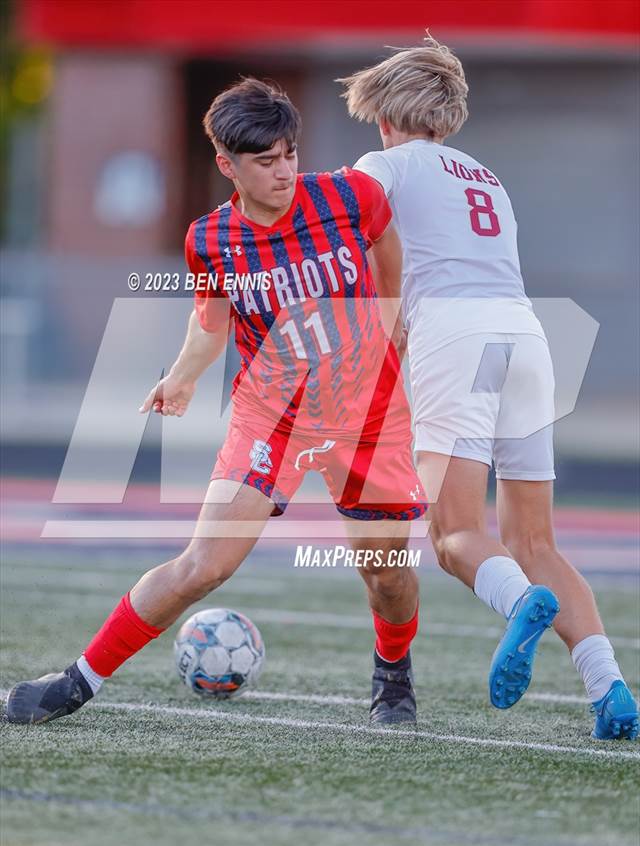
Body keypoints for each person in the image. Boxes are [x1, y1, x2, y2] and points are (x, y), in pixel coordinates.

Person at [7, 78, 426, 728]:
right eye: (266, 161)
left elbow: (387, 247)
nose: (284, 171)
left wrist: (392, 316)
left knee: (386, 573)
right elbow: (211, 323)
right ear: (227, 165)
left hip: (367, 411)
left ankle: (392, 672)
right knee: (204, 566)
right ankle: (77, 679)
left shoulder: (351, 195)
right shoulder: (211, 240)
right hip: (273, 415)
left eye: (290, 154)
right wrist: (181, 377)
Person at [338, 36, 638, 739]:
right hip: (526, 337)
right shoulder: (486, 177)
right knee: (536, 541)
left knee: (454, 536)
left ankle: (520, 602)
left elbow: (345, 243)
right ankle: (610, 688)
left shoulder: (380, 166)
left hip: (454, 337)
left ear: (387, 114)